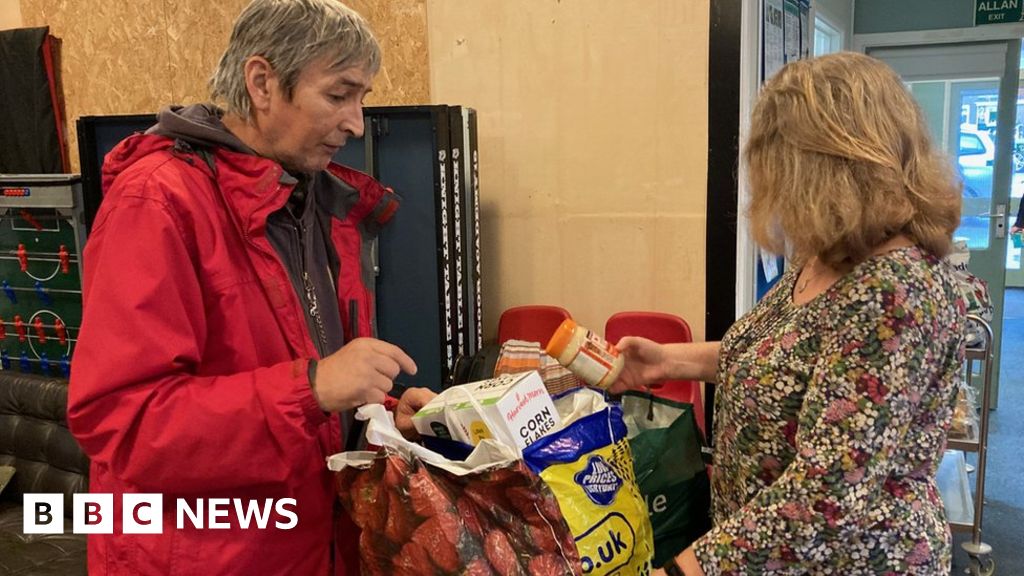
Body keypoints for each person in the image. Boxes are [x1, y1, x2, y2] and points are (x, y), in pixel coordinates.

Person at [67, 1, 434, 574]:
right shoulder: (157, 202)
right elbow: (122, 419)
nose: (356, 123)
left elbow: (301, 367)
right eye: (338, 96)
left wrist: (379, 412)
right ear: (262, 82)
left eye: (361, 98)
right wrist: (313, 388)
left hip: (307, 545)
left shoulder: (312, 201)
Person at [614, 52, 966, 575]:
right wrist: (667, 361)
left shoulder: (895, 293)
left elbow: (824, 499)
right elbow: (782, 359)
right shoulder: (822, 253)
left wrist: (680, 571)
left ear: (829, 167)